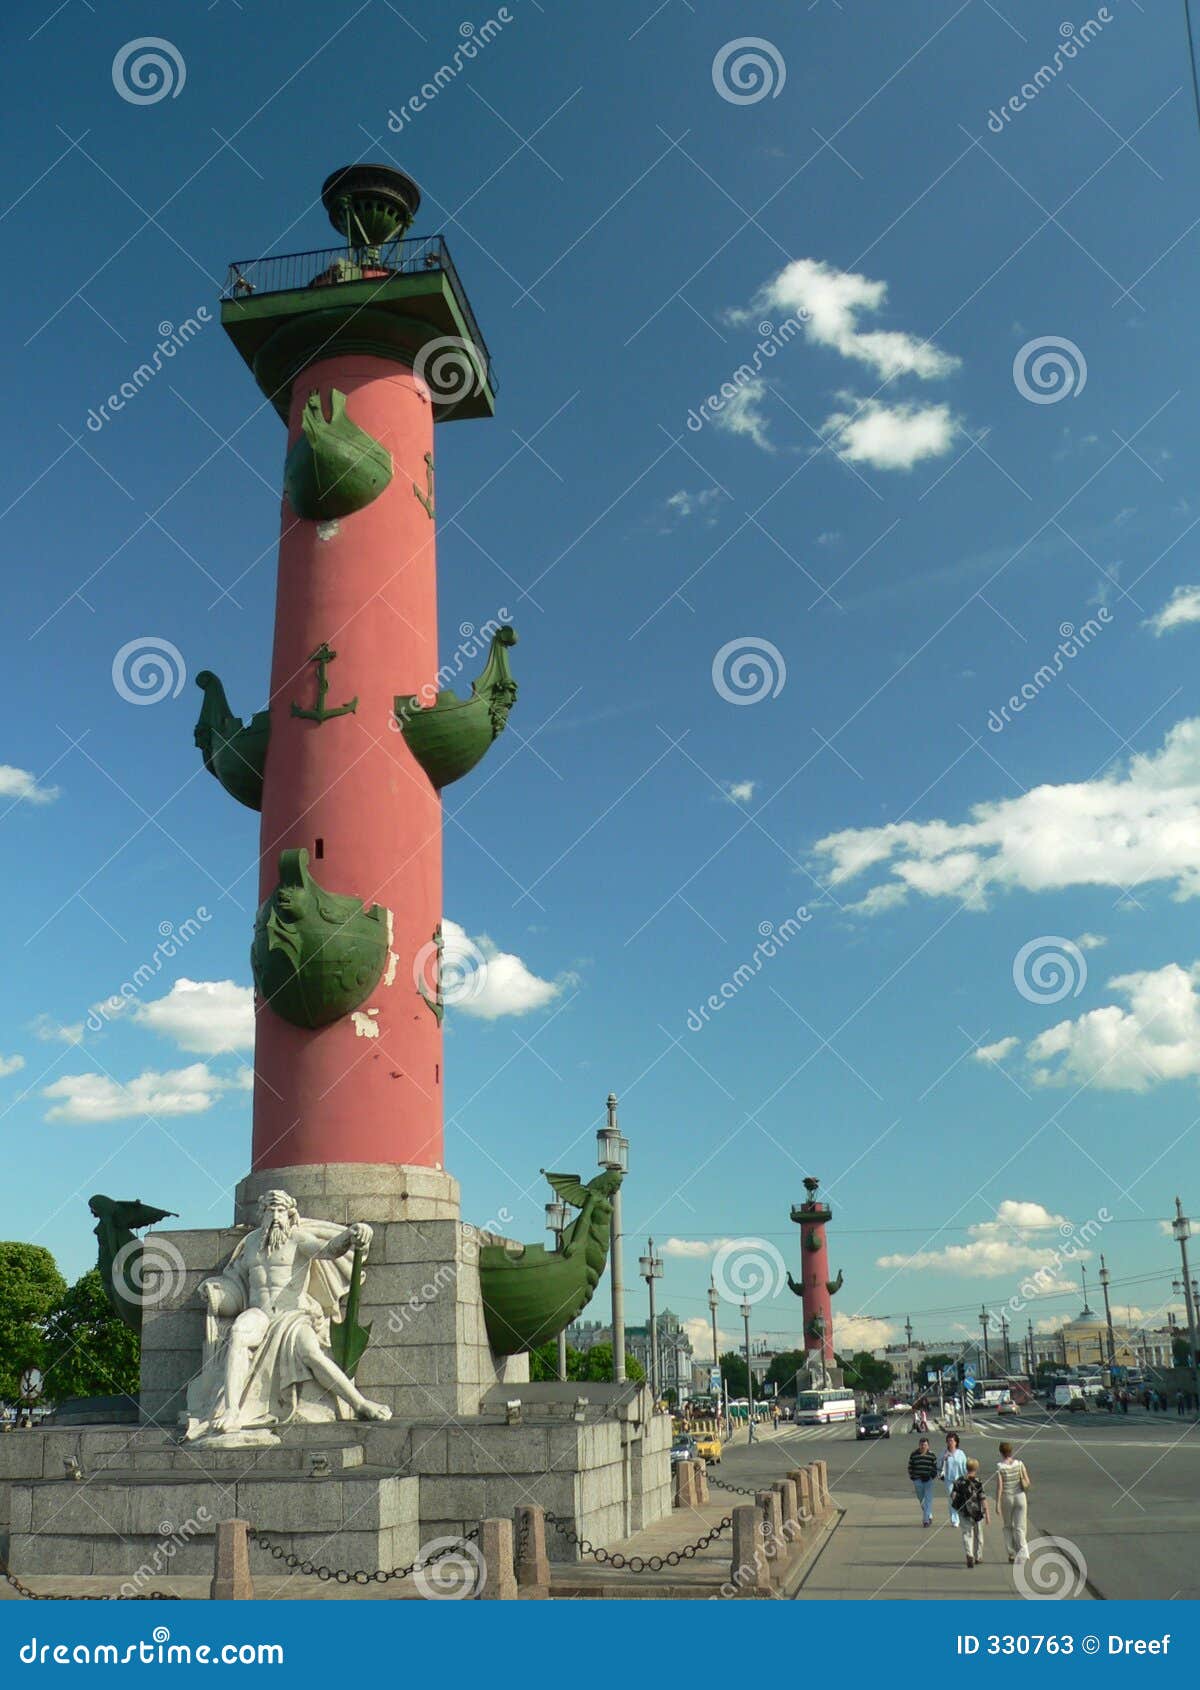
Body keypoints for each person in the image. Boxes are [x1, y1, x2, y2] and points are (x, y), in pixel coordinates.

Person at [996, 1441, 1031, 1563]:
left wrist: (997, 1503)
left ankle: (1011, 1553)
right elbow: (1027, 1481)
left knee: (1007, 1526)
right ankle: (1024, 1552)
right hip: (1020, 1496)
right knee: (1020, 1527)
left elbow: (1000, 1487)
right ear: (1011, 1451)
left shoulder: (1000, 1467)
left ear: (1001, 1453)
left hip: (1007, 1497)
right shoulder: (1020, 1464)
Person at [952, 1457, 990, 1567]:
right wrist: (987, 1513)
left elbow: (953, 1495)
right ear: (976, 1468)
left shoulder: (959, 1481)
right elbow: (982, 1498)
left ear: (966, 1467)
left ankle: (969, 1554)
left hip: (964, 1511)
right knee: (979, 1535)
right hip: (977, 1512)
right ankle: (978, 1556)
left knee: (967, 1534)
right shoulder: (978, 1481)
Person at [908, 1436, 939, 1527]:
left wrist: (932, 1475)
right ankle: (929, 1514)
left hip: (928, 1480)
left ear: (928, 1446)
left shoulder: (932, 1455)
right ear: (919, 1445)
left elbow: (935, 1467)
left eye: (925, 1445)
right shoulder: (914, 1454)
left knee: (928, 1499)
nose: (923, 1446)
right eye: (921, 1445)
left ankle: (926, 1520)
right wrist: (913, 1476)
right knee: (921, 1499)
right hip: (917, 1480)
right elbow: (910, 1466)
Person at [939, 1431, 968, 1526]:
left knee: (961, 1499)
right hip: (949, 1480)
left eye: (951, 1441)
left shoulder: (961, 1453)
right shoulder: (944, 1452)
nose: (950, 1443)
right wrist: (944, 1459)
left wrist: (967, 1477)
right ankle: (954, 1520)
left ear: (956, 1442)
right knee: (952, 1499)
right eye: (948, 1441)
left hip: (960, 1479)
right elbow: (938, 1466)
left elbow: (965, 1466)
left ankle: (962, 1516)